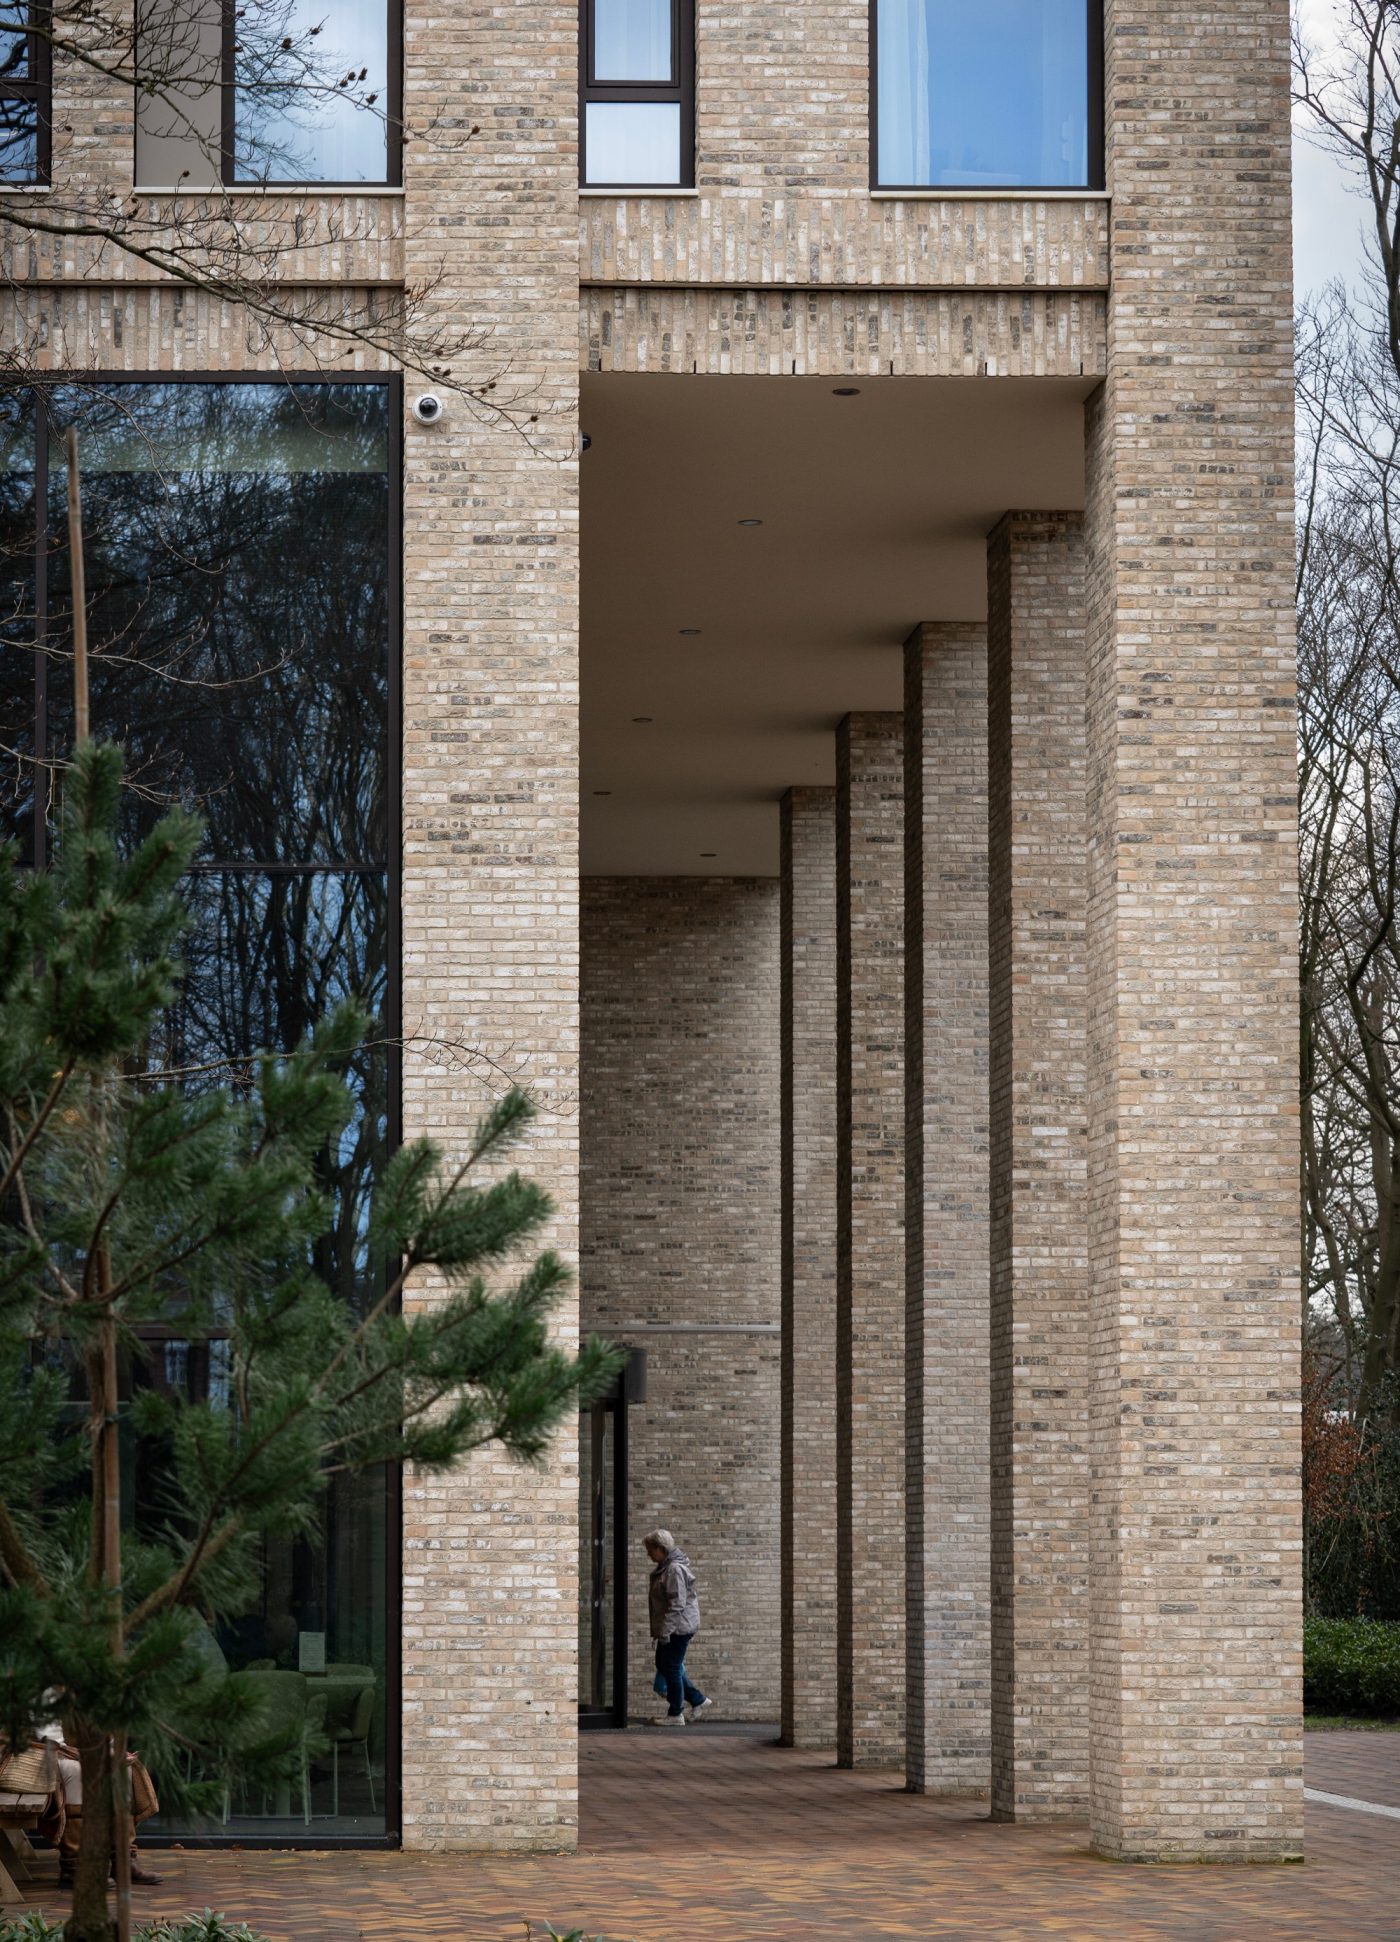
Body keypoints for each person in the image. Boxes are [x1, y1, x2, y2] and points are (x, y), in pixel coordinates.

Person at [643, 1529, 713, 1726]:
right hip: (672, 1626)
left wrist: (665, 1631)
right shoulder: (667, 1568)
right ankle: (697, 1699)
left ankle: (676, 1714)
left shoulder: (674, 1569)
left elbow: (677, 1604)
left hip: (678, 1628)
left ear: (661, 1548)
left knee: (671, 1668)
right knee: (665, 1665)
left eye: (650, 1550)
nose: (649, 1554)